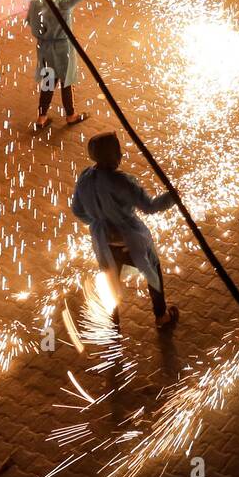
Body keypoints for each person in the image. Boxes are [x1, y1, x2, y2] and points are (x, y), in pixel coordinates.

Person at [71, 132, 179, 330]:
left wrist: (98, 222)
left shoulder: (84, 178)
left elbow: (77, 210)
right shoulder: (123, 182)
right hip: (130, 241)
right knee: (152, 268)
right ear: (114, 156)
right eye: (118, 152)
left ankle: (113, 325)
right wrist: (171, 197)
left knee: (110, 281)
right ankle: (161, 316)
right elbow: (150, 207)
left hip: (104, 244)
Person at [29, 0, 98, 129]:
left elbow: (33, 24)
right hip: (62, 48)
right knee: (66, 81)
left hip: (44, 47)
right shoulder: (63, 0)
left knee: (48, 81)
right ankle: (71, 116)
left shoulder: (36, 0)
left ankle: (42, 118)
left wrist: (44, 35)